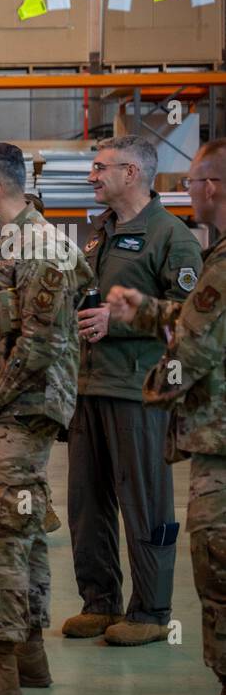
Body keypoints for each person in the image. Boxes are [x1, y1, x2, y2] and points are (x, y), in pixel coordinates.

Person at [0, 142, 88, 695]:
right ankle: (29, 652)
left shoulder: (44, 248)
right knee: (19, 530)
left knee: (0, 536)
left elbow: (40, 346)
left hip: (23, 410)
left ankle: (2, 661)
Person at [107, 137, 226, 695]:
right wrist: (150, 311)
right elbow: (199, 318)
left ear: (213, 187)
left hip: (218, 443)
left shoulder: (215, 256)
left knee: (218, 567)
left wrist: (151, 391)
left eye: (198, 180)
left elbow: (199, 349)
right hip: (215, 436)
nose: (191, 190)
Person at [63, 135, 201, 646]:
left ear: (132, 173)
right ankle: (99, 603)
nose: (92, 175)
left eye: (101, 167)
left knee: (144, 500)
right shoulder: (100, 234)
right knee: (87, 502)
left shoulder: (172, 237)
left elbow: (191, 319)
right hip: (89, 386)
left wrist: (117, 324)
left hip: (138, 391)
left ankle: (151, 610)